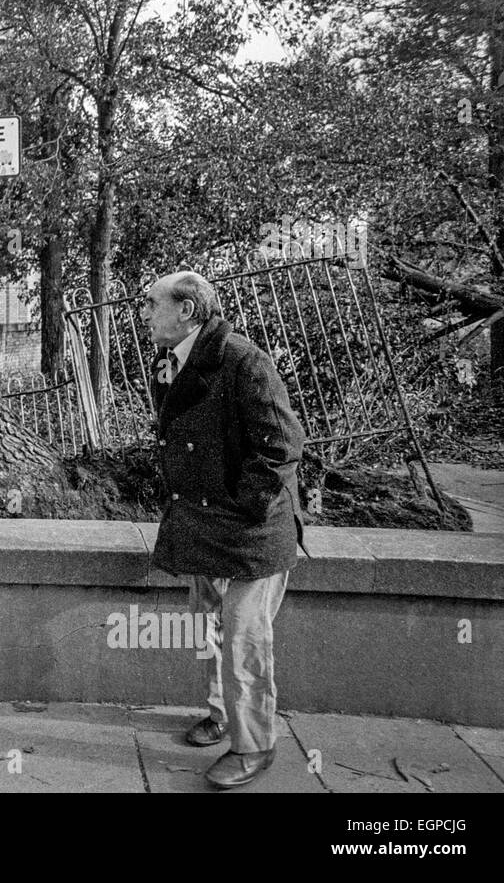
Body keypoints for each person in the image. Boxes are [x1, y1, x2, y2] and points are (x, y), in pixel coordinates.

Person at [139, 270, 305, 789]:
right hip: (202, 523)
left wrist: (241, 509)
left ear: (186, 310)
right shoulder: (170, 362)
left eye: (152, 303)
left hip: (252, 530)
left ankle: (255, 745)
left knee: (243, 640)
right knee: (204, 627)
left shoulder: (242, 359)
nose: (144, 312)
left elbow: (282, 446)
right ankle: (219, 714)